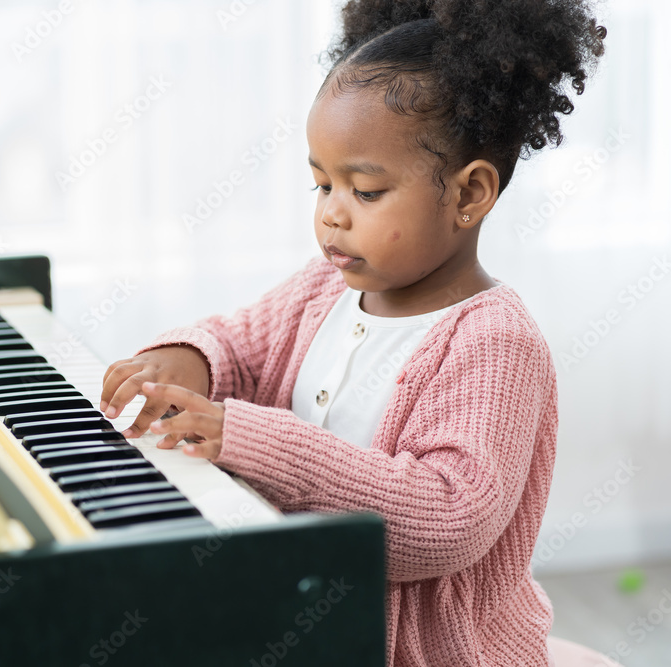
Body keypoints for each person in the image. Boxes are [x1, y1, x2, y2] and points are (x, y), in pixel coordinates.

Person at [100, 0, 606, 664]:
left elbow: (447, 518)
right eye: (321, 185)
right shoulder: (326, 287)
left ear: (469, 194)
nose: (332, 216)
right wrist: (191, 358)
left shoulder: (494, 342)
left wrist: (245, 436)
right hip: (308, 622)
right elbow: (242, 342)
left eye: (364, 192)